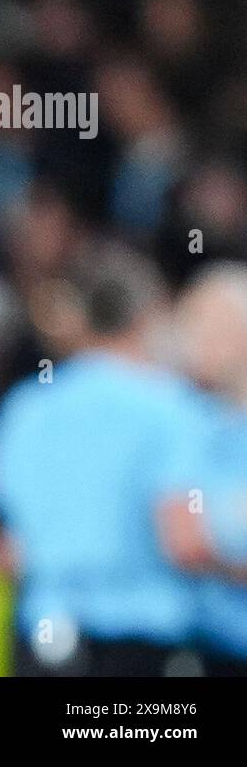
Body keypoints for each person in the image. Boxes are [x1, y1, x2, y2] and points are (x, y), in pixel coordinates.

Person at [0, 249, 202, 676]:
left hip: (44, 639)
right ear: (151, 315)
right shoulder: (173, 407)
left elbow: (2, 546)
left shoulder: (26, 406)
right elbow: (185, 539)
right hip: (146, 643)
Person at [156, 263, 247, 675]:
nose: (197, 345)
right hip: (209, 648)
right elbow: (184, 541)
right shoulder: (184, 425)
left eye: (215, 331)